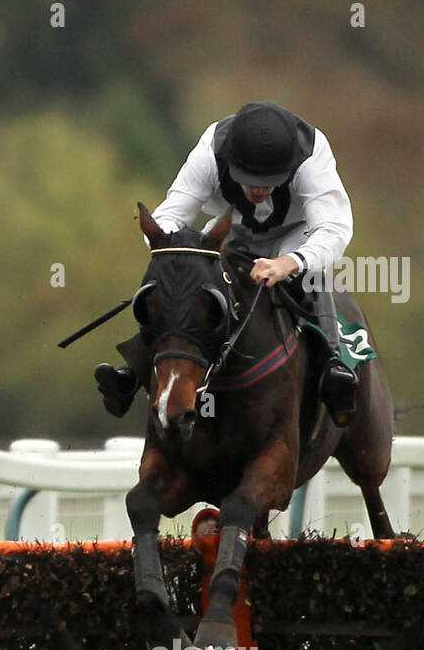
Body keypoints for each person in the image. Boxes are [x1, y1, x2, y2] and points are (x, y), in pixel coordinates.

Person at [95, 100, 360, 427]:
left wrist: (288, 262)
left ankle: (333, 365)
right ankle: (135, 371)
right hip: (233, 230)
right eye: (250, 177)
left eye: (270, 178)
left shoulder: (311, 155)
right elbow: (170, 214)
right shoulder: (210, 151)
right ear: (233, 161)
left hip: (298, 232)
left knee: (312, 275)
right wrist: (178, 252)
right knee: (183, 281)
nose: (260, 188)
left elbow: (334, 228)